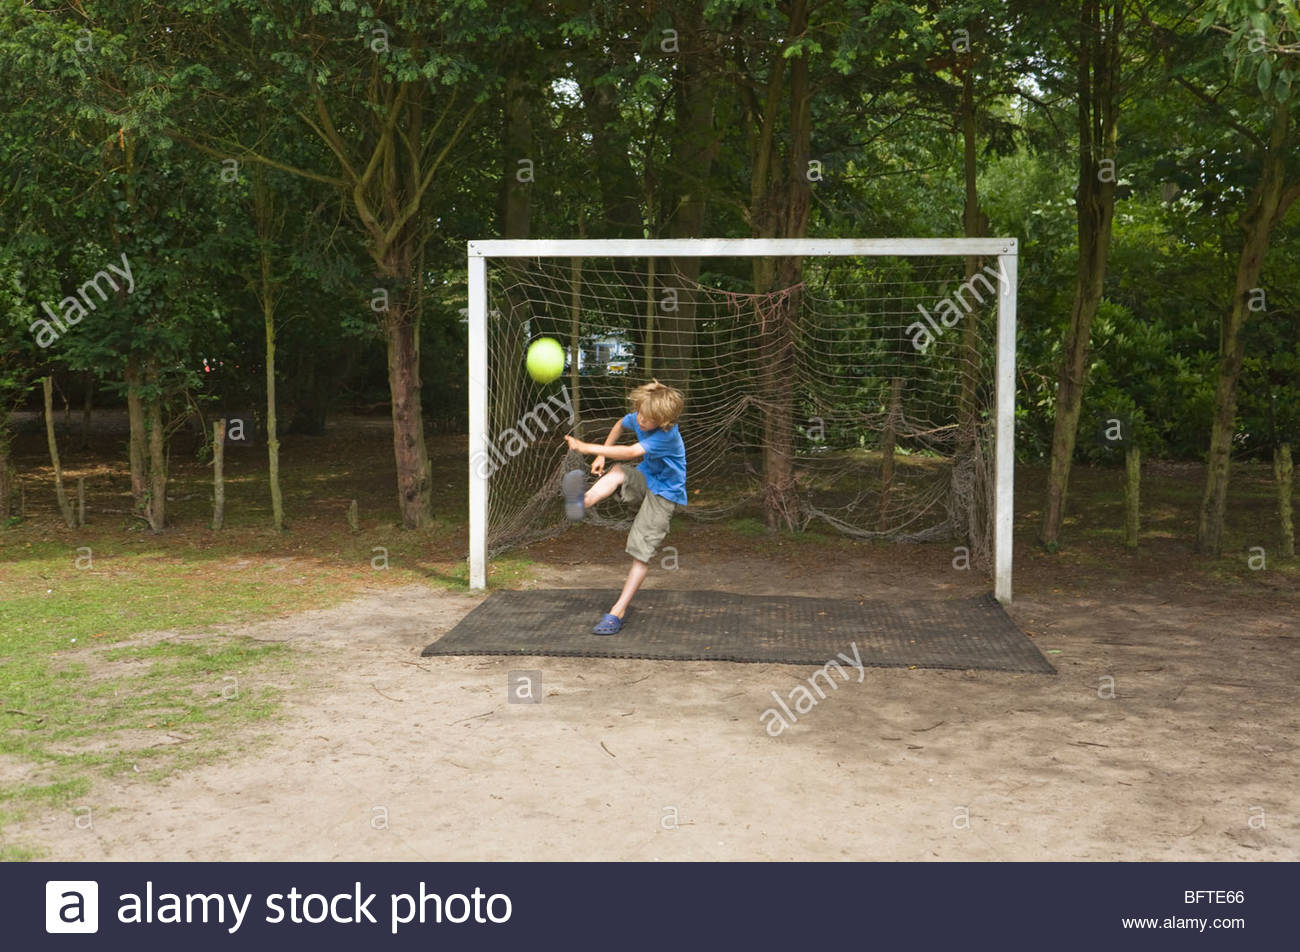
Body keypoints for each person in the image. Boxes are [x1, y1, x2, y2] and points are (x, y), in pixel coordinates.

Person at [562, 379, 687, 635]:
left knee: (640, 553)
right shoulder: (641, 416)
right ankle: (582, 502)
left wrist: (586, 447)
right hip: (646, 477)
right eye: (640, 413)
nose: (641, 421)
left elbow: (631, 452)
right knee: (618, 471)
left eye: (648, 419)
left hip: (664, 494)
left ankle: (617, 611)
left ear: (662, 422)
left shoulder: (667, 435)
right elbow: (621, 424)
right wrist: (602, 455)